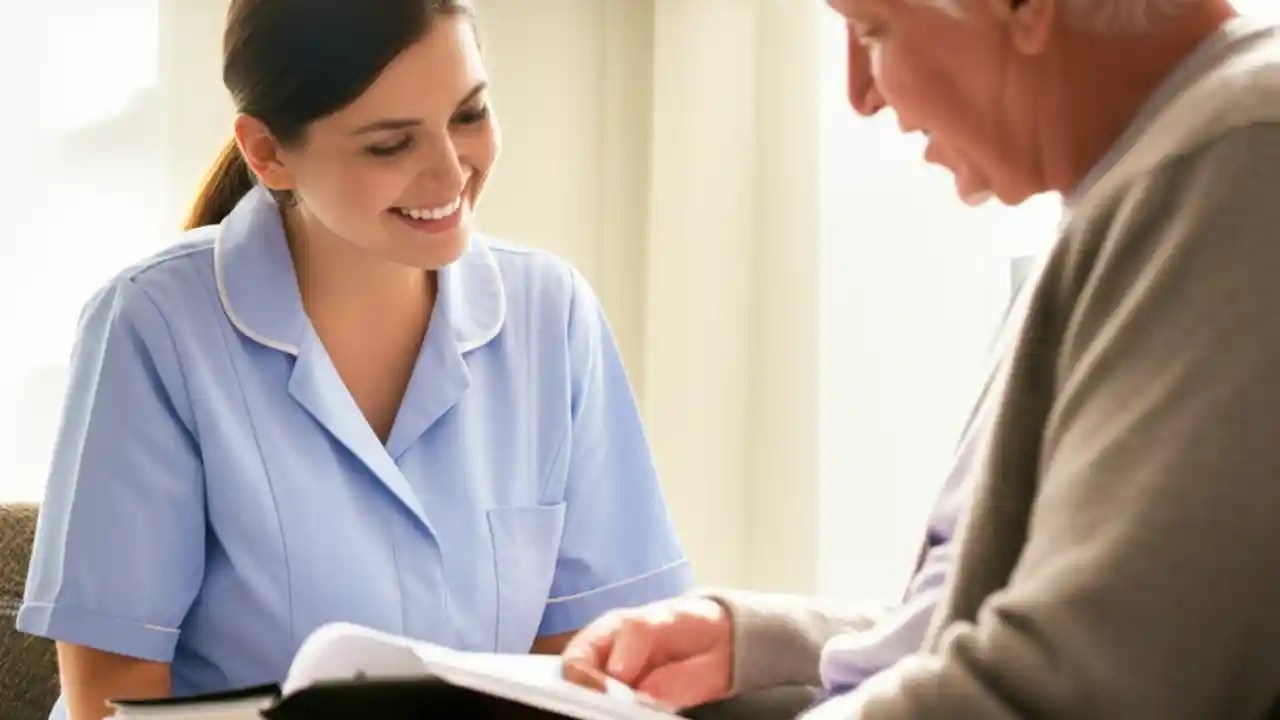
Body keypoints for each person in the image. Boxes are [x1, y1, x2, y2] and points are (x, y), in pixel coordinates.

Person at [565, 0, 1280, 717]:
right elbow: (1000, 621)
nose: (860, 95)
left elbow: (1081, 682)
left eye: (873, 30)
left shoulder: (1242, 162)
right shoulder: (1146, 181)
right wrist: (762, 641)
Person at [17, 2, 693, 718]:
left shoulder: (551, 317)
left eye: (469, 116)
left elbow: (594, 670)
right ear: (268, 153)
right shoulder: (155, 326)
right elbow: (111, 700)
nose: (449, 173)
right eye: (390, 145)